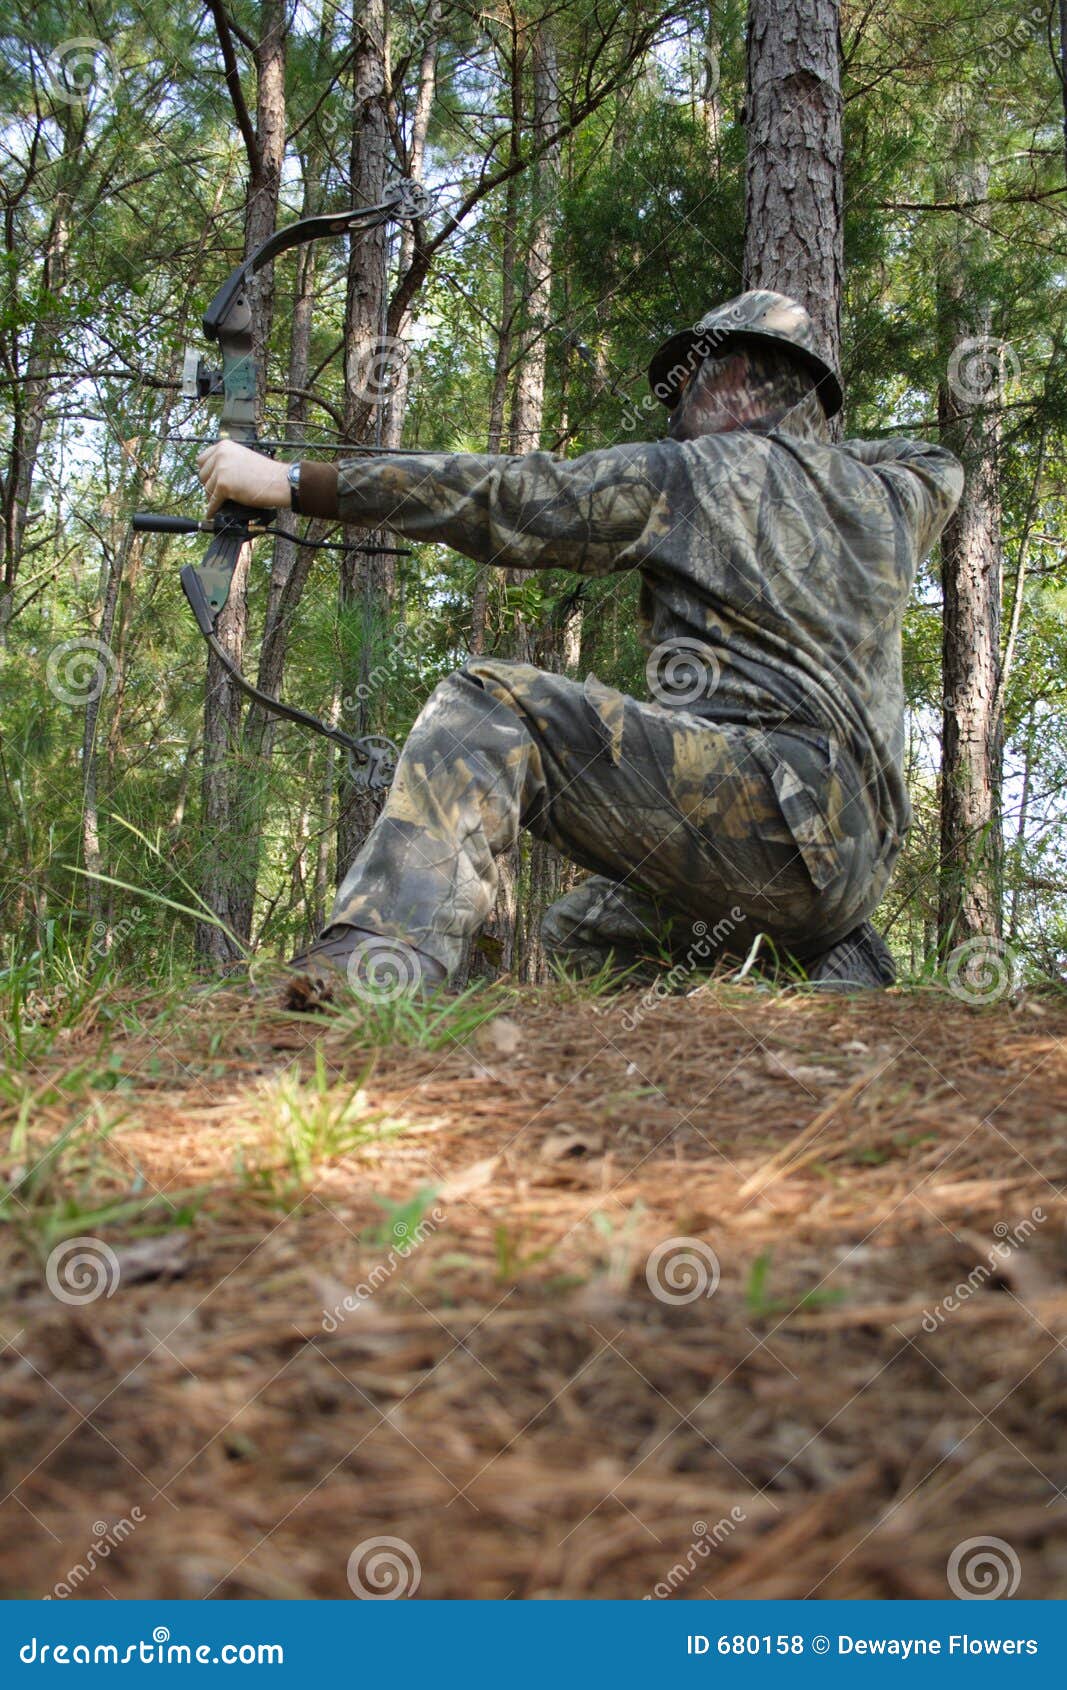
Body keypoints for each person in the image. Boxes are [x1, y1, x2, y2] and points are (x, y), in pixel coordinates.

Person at [197, 290, 963, 996]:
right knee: (584, 933)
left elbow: (507, 497)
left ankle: (373, 969)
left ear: (733, 374)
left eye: (689, 386)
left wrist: (291, 481)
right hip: (850, 866)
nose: (675, 412)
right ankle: (817, 980)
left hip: (775, 817)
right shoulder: (898, 494)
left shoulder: (693, 473)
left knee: (487, 708)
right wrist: (806, 451)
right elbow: (937, 460)